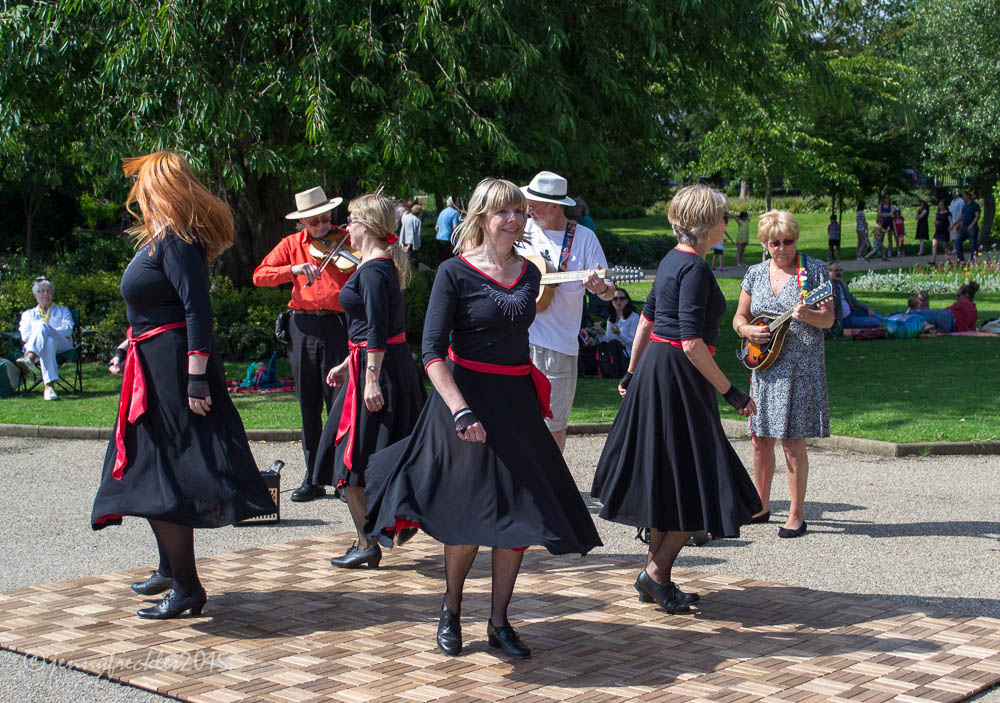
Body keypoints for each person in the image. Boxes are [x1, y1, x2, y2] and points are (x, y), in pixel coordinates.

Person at [363, 178, 602, 659]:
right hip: (465, 404)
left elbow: (530, 329)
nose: (513, 219)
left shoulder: (531, 274)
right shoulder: (454, 272)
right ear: (480, 217)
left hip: (515, 404)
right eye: (502, 212)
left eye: (518, 211)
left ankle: (499, 622)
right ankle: (450, 610)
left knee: (519, 518)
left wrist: (595, 289)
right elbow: (430, 352)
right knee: (469, 518)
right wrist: (459, 408)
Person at [91, 150, 277, 619]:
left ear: (161, 188)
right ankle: (170, 570)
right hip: (152, 365)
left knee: (162, 475)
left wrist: (196, 379)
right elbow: (153, 310)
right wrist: (123, 347)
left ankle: (188, 586)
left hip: (174, 373)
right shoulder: (159, 240)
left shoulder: (176, 241)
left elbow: (197, 311)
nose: (138, 194)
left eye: (144, 186)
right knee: (152, 469)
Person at [592, 184, 760, 613]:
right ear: (708, 224)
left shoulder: (671, 260)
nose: (728, 223)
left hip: (656, 373)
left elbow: (647, 320)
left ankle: (656, 577)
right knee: (698, 480)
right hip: (680, 378)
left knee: (674, 477)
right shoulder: (697, 270)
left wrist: (631, 372)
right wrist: (732, 392)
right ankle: (655, 574)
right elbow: (690, 342)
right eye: (724, 217)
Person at [311, 194, 426, 569]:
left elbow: (378, 329)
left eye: (352, 220)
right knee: (354, 456)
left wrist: (371, 380)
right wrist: (348, 364)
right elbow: (370, 330)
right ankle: (372, 536)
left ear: (368, 226)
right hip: (368, 365)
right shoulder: (375, 267)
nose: (347, 227)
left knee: (355, 459)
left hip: (380, 372)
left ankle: (374, 536)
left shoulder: (376, 270)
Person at [733, 210, 833, 538]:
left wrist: (809, 315)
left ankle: (796, 513)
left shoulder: (814, 271)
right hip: (764, 367)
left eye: (788, 241)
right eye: (775, 242)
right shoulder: (756, 273)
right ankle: (761, 505)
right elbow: (739, 318)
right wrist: (748, 330)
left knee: (792, 442)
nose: (782, 248)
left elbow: (829, 319)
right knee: (761, 440)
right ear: (764, 243)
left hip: (800, 370)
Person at [253, 187, 352, 503]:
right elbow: (260, 276)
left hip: (338, 325)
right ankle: (313, 478)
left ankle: (341, 477)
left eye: (326, 218)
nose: (323, 225)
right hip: (303, 325)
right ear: (304, 222)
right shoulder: (291, 245)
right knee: (308, 402)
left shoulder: (347, 240)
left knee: (338, 402)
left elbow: (381, 250)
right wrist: (292, 269)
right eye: (315, 221)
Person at [518, 171, 616, 452]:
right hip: (517, 341)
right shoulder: (522, 232)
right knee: (517, 419)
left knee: (553, 424)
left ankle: (552, 488)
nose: (528, 211)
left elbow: (609, 291)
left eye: (533, 207)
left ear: (555, 207)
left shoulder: (584, 239)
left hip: (558, 346)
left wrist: (599, 288)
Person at [16, 277, 74, 400]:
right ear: (35, 294)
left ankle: (30, 358)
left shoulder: (63, 311)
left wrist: (47, 330)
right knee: (49, 342)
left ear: (52, 294)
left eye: (48, 291)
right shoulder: (28, 314)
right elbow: (25, 335)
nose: (46, 294)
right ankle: (49, 388)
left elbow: (68, 329)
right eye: (42, 291)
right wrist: (45, 335)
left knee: (42, 327)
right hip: (45, 346)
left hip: (63, 345)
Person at [826, 261, 882, 339]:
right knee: (876, 321)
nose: (839, 273)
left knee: (879, 316)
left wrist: (867, 309)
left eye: (840, 270)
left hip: (852, 313)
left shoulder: (842, 284)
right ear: (829, 272)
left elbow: (852, 300)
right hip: (844, 320)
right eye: (836, 271)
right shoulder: (828, 287)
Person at [912, 281, 980, 333]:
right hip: (950, 329)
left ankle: (903, 317)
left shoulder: (963, 302)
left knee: (917, 315)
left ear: (967, 295)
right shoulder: (974, 309)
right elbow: (972, 329)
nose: (957, 298)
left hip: (948, 317)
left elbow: (945, 311)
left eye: (958, 295)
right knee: (925, 329)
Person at [591, 289, 640, 356]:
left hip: (628, 356)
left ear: (627, 301)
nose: (618, 301)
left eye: (622, 298)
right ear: (611, 302)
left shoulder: (634, 318)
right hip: (613, 357)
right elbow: (608, 341)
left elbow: (634, 344)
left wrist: (619, 334)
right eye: (615, 299)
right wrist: (600, 333)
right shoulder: (610, 319)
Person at [955, 192, 981, 262]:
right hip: (964, 227)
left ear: (969, 196)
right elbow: (961, 216)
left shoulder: (975, 205)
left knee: (973, 245)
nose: (963, 198)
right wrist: (954, 224)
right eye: (963, 196)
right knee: (957, 241)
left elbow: (977, 216)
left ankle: (973, 261)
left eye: (964, 196)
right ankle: (961, 260)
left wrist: (972, 225)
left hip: (972, 228)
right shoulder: (964, 206)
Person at [435, 197, 462, 261]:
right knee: (450, 260)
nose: (459, 204)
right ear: (454, 203)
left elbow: (436, 227)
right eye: (457, 202)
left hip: (439, 239)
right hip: (449, 240)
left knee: (441, 260)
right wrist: (460, 240)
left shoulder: (442, 212)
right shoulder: (455, 213)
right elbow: (455, 228)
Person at [399, 202, 423, 268]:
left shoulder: (405, 216)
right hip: (413, 243)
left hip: (404, 241)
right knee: (413, 259)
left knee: (406, 259)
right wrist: (409, 246)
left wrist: (402, 244)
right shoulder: (417, 220)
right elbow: (415, 234)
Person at [931, 199, 951, 265]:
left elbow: (950, 222)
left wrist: (950, 227)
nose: (940, 206)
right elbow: (936, 220)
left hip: (944, 231)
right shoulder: (938, 213)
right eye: (939, 205)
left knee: (945, 245)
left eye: (941, 205)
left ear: (944, 205)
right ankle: (933, 260)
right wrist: (935, 222)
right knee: (934, 244)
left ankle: (948, 260)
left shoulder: (948, 213)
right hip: (938, 231)